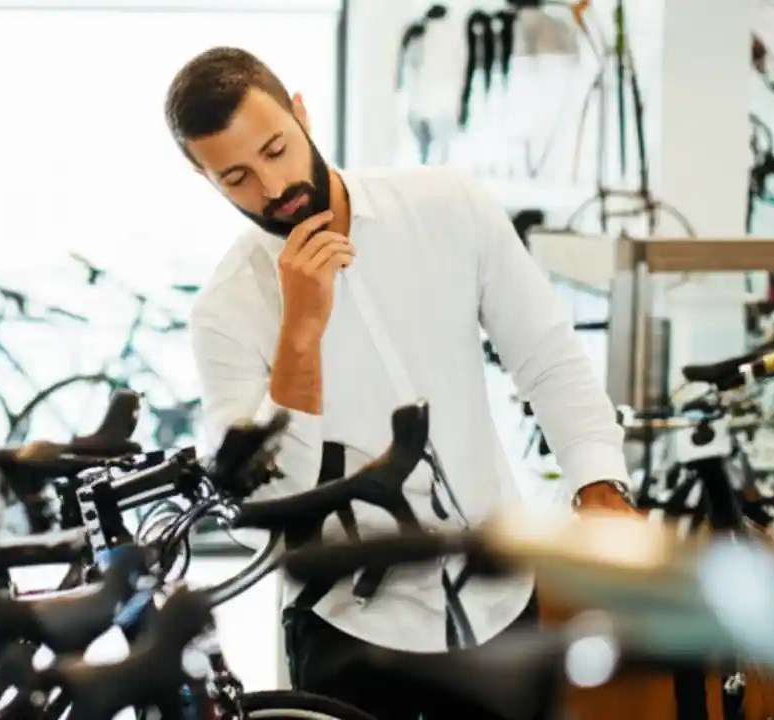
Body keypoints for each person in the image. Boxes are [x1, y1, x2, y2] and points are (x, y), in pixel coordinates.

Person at [165, 47, 634, 720]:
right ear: (203, 177)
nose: (271, 188)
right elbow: (275, 502)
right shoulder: (226, 313)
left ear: (301, 111)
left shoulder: (449, 207)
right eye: (235, 176)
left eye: (276, 150)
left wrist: (600, 484)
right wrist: (300, 330)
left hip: (500, 596)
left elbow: (547, 357)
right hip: (349, 632)